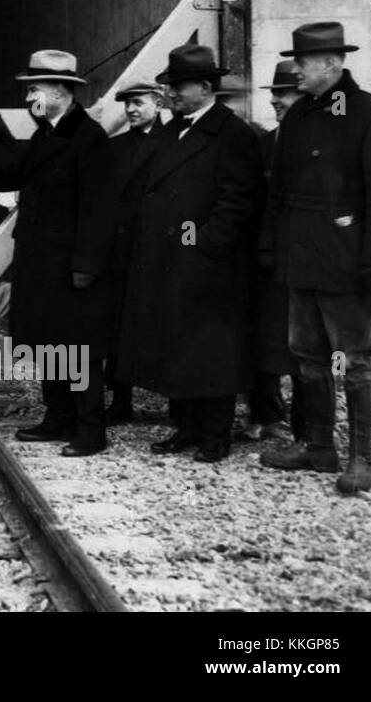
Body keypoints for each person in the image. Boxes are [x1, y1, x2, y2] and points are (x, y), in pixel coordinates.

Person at [0, 49, 114, 457]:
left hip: (71, 264)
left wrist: (86, 265)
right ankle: (58, 417)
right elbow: (17, 172)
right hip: (41, 259)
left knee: (80, 348)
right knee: (48, 342)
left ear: (61, 90)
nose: (30, 97)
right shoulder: (47, 133)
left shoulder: (89, 139)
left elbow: (99, 208)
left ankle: (90, 430)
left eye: (35, 89)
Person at [119, 44, 264, 463]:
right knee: (176, 348)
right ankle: (186, 426)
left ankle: (216, 435)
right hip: (168, 261)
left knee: (211, 353)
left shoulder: (232, 133)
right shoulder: (171, 130)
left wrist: (202, 243)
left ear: (204, 87)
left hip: (208, 265)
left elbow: (237, 202)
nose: (172, 94)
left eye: (178, 86)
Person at [260, 23, 371, 493]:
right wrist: (272, 247)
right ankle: (318, 447)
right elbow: (279, 191)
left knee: (354, 361)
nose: (296, 70)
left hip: (348, 261)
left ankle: (362, 460)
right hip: (302, 258)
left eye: (303, 62)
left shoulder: (370, 113)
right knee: (308, 356)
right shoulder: (297, 118)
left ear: (332, 64)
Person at [240, 60, 305, 444]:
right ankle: (265, 413)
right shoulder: (264, 145)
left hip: (305, 262)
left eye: (284, 93)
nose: (276, 100)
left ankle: (309, 426)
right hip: (264, 262)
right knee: (263, 340)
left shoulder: (320, 144)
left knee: (306, 349)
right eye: (274, 94)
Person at [102, 81, 165, 424]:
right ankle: (120, 399)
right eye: (126, 105)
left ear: (158, 103)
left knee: (162, 324)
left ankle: (178, 404)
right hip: (123, 252)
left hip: (158, 251)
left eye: (138, 103)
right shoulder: (116, 148)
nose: (130, 110)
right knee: (118, 327)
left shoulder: (174, 142)